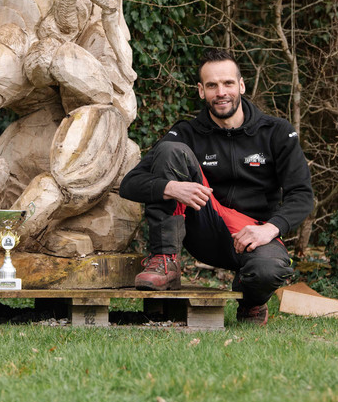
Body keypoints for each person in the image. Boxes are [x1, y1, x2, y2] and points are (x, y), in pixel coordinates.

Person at [119, 48, 314, 325]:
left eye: (228, 83)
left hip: (253, 233)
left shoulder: (277, 132)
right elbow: (130, 184)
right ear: (201, 91)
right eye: (212, 85)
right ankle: (165, 262)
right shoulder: (186, 133)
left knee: (269, 270)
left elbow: (302, 195)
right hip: (204, 226)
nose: (221, 92)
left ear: (241, 86)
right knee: (171, 150)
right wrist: (170, 188)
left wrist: (268, 230)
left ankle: (251, 302)